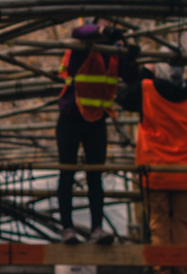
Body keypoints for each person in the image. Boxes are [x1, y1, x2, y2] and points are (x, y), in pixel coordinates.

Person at [118, 63, 187, 274]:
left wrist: (145, 73)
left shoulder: (147, 89)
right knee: (181, 227)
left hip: (155, 169)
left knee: (159, 227)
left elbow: (123, 97)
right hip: (185, 171)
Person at [56, 18, 138, 244]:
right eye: (104, 22)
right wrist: (102, 30)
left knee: (95, 175)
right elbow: (78, 31)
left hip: (97, 120)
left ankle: (97, 229)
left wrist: (132, 58)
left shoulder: (115, 52)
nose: (108, 26)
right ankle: (67, 228)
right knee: (67, 172)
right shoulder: (84, 45)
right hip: (72, 115)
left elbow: (130, 77)